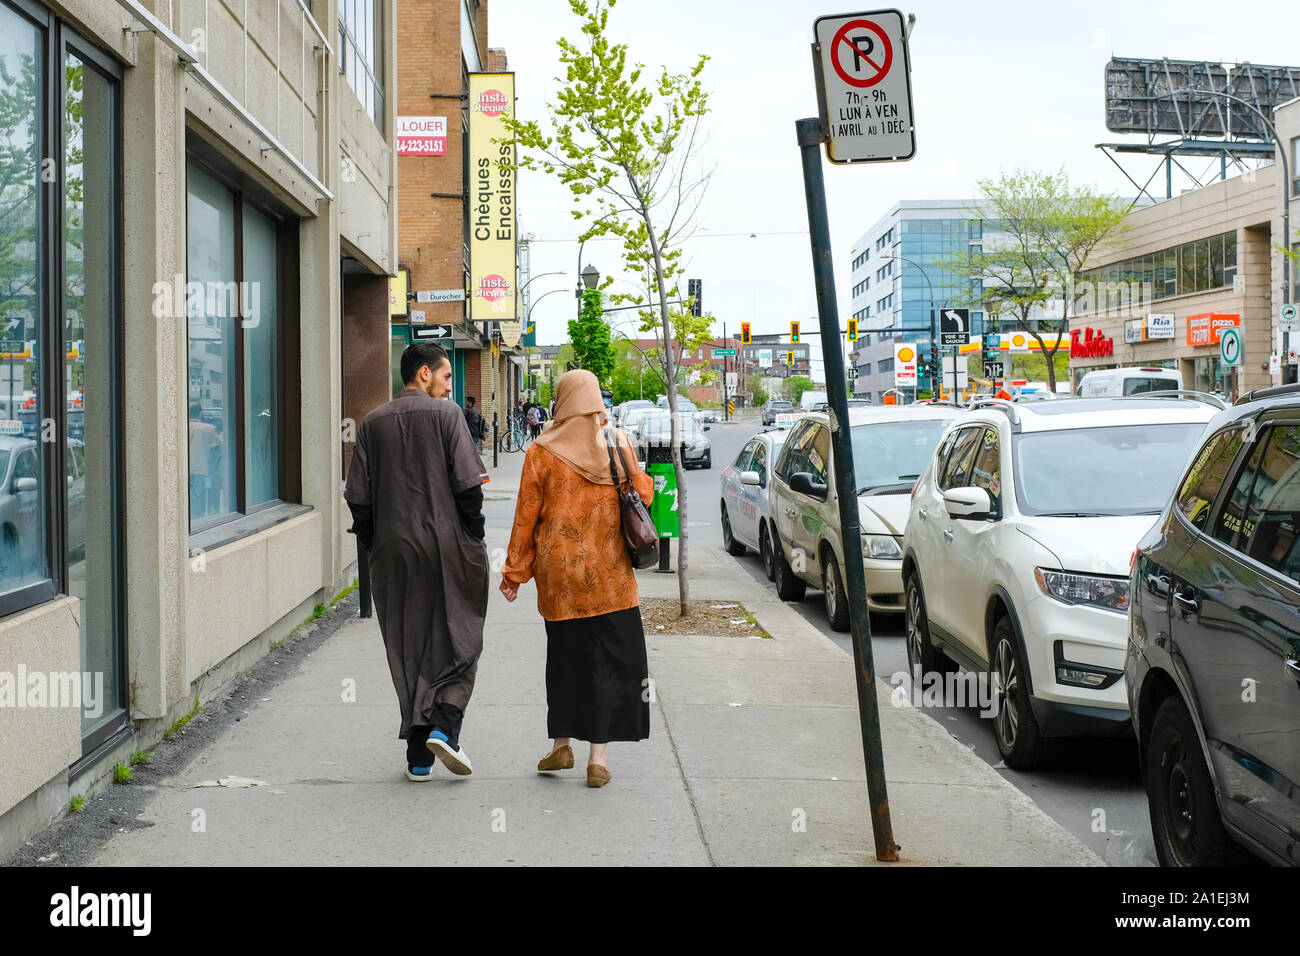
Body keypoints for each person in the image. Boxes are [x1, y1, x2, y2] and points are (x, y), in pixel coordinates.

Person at [500, 369, 653, 788]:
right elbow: (643, 494)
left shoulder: (541, 452)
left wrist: (515, 572)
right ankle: (597, 759)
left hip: (560, 578)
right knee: (607, 663)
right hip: (612, 579)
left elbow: (525, 518)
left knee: (566, 662)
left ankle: (560, 744)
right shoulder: (618, 442)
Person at [344, 342, 489, 781]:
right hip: (446, 546)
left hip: (392, 554)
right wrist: (474, 540)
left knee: (408, 646)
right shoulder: (447, 416)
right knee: (461, 635)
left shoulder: (372, 423)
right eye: (446, 377)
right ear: (424, 374)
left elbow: (359, 500)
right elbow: (469, 490)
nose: (449, 387)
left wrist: (374, 547)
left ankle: (418, 755)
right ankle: (445, 726)